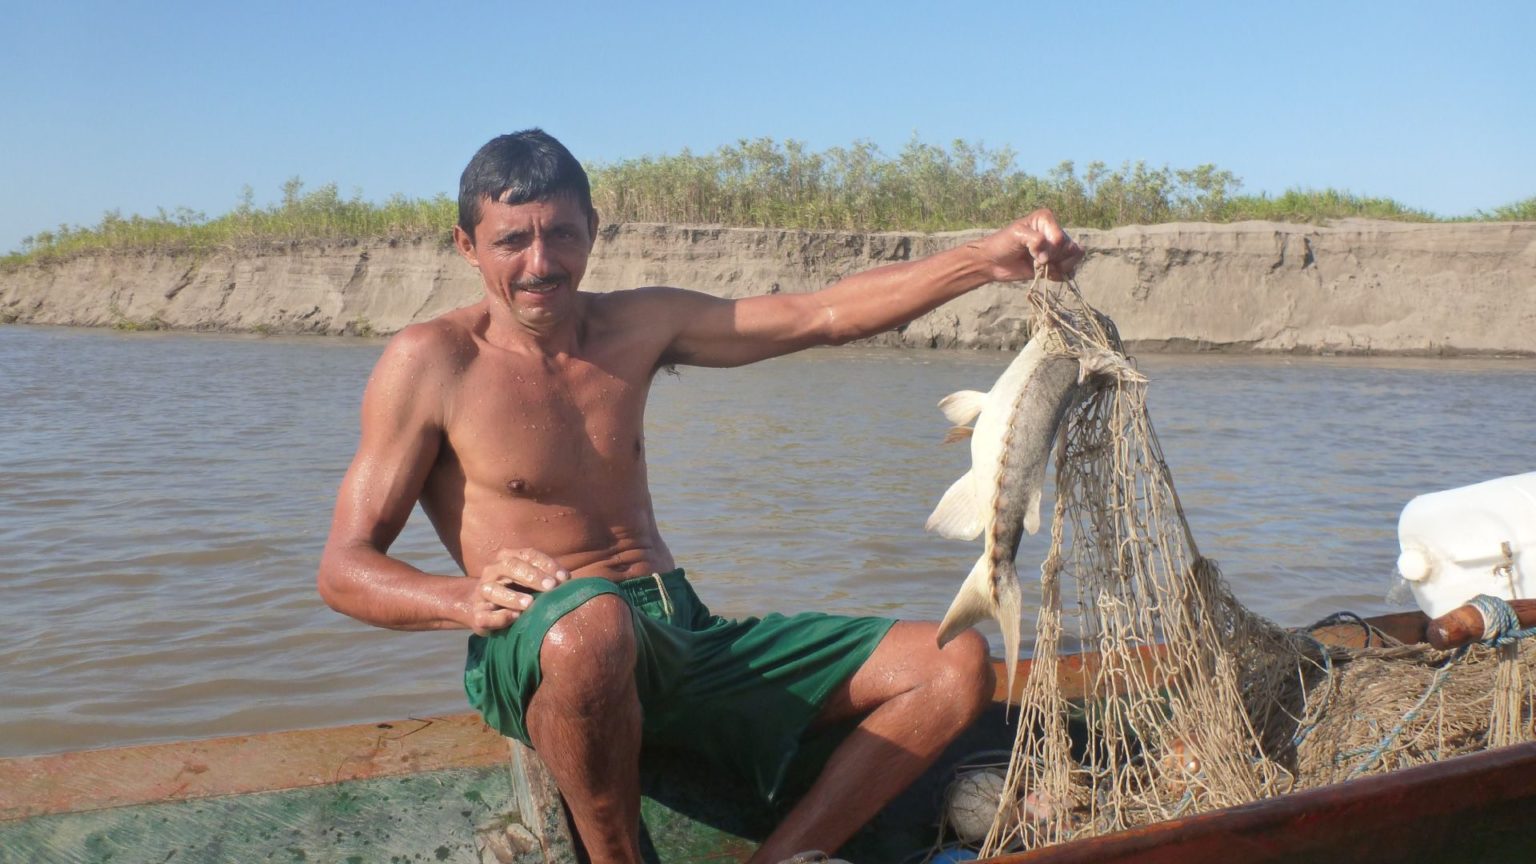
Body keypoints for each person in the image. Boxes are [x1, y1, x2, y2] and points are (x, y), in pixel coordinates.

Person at [317, 128, 1083, 864]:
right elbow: (344, 569)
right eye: (512, 240)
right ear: (467, 246)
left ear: (593, 230)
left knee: (957, 665)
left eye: (561, 234)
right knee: (590, 625)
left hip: (679, 627)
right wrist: (461, 600)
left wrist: (984, 260)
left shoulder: (637, 324)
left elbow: (822, 314)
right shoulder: (431, 360)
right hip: (546, 641)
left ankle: (785, 857)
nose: (541, 262)